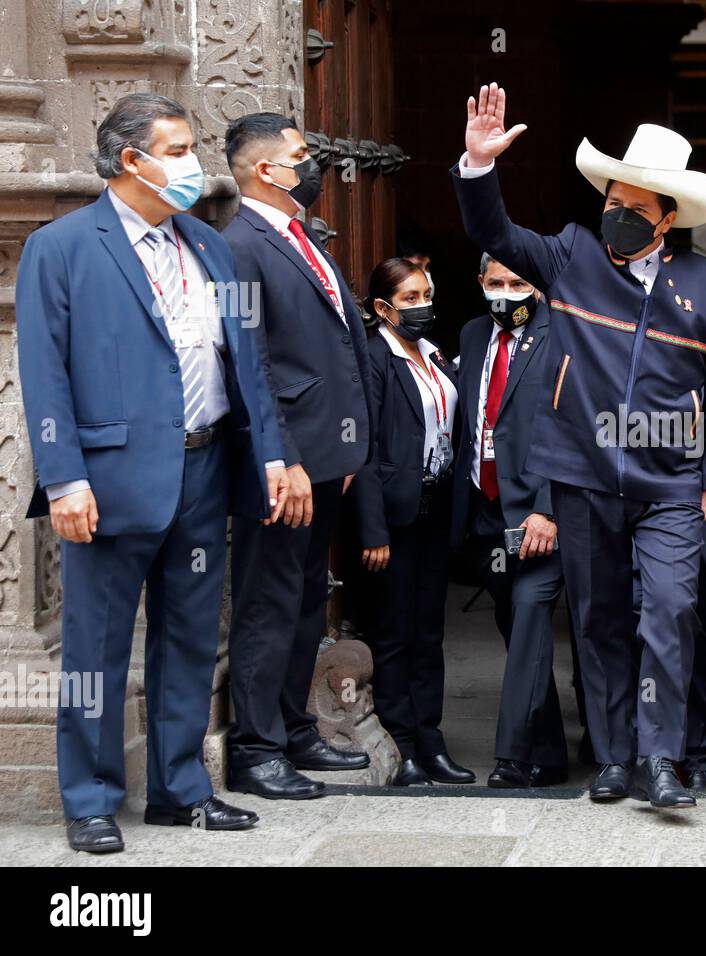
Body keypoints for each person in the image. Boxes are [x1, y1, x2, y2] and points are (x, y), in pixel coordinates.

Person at [451, 83, 706, 810]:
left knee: (670, 610)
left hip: (672, 481)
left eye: (636, 208)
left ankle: (662, 759)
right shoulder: (572, 253)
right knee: (599, 619)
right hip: (582, 474)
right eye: (612, 199)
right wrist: (479, 166)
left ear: (668, 220)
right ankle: (614, 760)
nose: (616, 214)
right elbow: (497, 236)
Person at [16, 92, 284, 852]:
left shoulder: (209, 245)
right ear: (130, 159)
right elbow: (44, 373)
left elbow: (247, 359)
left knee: (193, 638)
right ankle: (91, 799)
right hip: (107, 483)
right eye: (177, 149)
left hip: (204, 470)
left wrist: (270, 452)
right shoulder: (62, 247)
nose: (191, 164)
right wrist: (65, 479)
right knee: (95, 649)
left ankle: (180, 788)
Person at [222, 112, 375, 799]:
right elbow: (247, 360)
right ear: (265, 170)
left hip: (328, 458)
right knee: (269, 602)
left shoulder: (300, 235)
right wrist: (282, 456)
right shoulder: (241, 245)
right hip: (287, 468)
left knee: (307, 598)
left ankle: (292, 726)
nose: (314, 165)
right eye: (302, 155)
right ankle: (255, 751)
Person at [350, 258, 471, 785]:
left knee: (428, 630)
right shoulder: (376, 357)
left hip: (435, 508)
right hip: (394, 517)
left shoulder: (434, 353)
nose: (422, 306)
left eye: (426, 294)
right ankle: (401, 744)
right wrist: (372, 529)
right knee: (394, 632)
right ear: (383, 307)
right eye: (410, 299)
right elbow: (366, 450)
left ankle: (431, 738)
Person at [451, 253, 568, 788]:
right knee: (515, 626)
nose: (505, 292)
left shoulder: (563, 332)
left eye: (517, 282)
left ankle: (512, 758)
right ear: (480, 283)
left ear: (537, 287)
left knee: (528, 614)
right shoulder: (474, 334)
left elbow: (573, 426)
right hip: (485, 509)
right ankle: (549, 753)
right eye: (495, 282)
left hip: (542, 512)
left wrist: (547, 507)